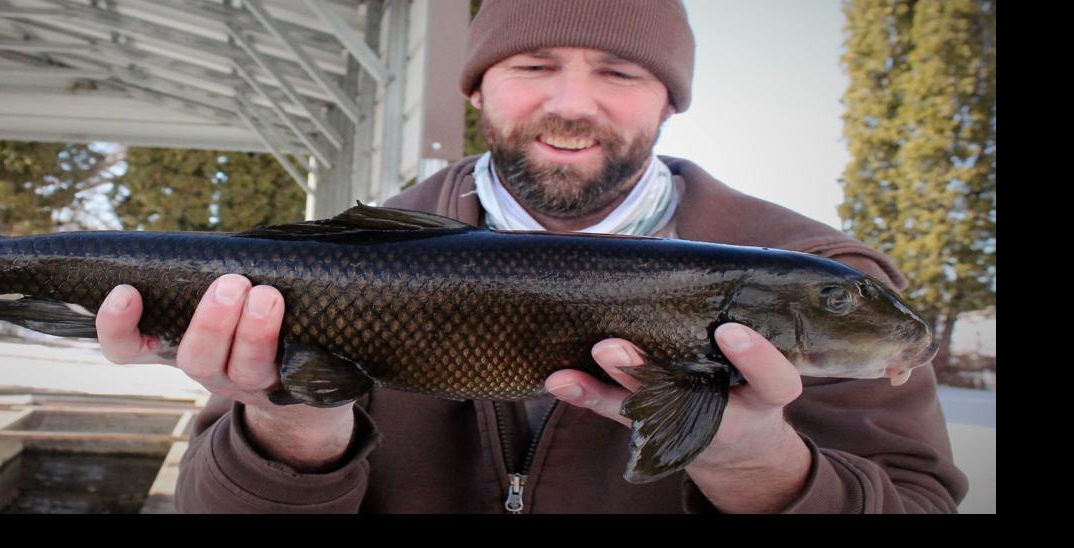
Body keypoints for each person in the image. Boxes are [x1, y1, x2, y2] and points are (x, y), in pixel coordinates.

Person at [94, 0, 966, 513]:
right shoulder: (342, 255)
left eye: (620, 73)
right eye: (534, 65)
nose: (572, 104)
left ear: (670, 101)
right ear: (478, 88)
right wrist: (290, 433)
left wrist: (758, 466)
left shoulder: (823, 277)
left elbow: (921, 499)